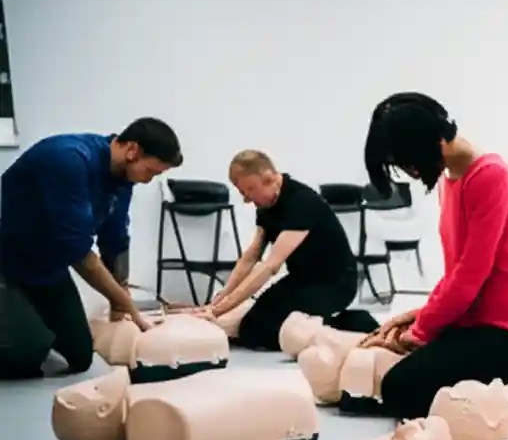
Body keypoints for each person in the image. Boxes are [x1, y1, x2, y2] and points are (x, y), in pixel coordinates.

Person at [360, 92, 508, 419]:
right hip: (481, 325)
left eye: (404, 162)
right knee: (390, 367)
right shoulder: (450, 179)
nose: (408, 172)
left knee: (398, 388)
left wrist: (419, 333)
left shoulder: (489, 176)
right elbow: (457, 274)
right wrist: (416, 316)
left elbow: (470, 274)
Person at [0, 119, 182, 379]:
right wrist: (128, 306)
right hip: (8, 261)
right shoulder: (67, 160)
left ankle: (23, 327)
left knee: (80, 356)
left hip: (48, 267)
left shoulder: (122, 177)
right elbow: (81, 255)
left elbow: (116, 239)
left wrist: (119, 306)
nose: (147, 180)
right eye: (151, 172)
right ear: (132, 150)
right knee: (23, 358)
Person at [186, 150, 373, 350]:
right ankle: (319, 320)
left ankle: (353, 323)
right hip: (301, 280)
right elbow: (251, 257)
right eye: (242, 193)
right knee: (251, 329)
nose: (246, 200)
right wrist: (219, 300)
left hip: (334, 284)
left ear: (269, 179)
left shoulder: (301, 202)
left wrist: (218, 312)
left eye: (249, 190)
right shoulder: (266, 206)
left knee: (271, 333)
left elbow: (270, 266)